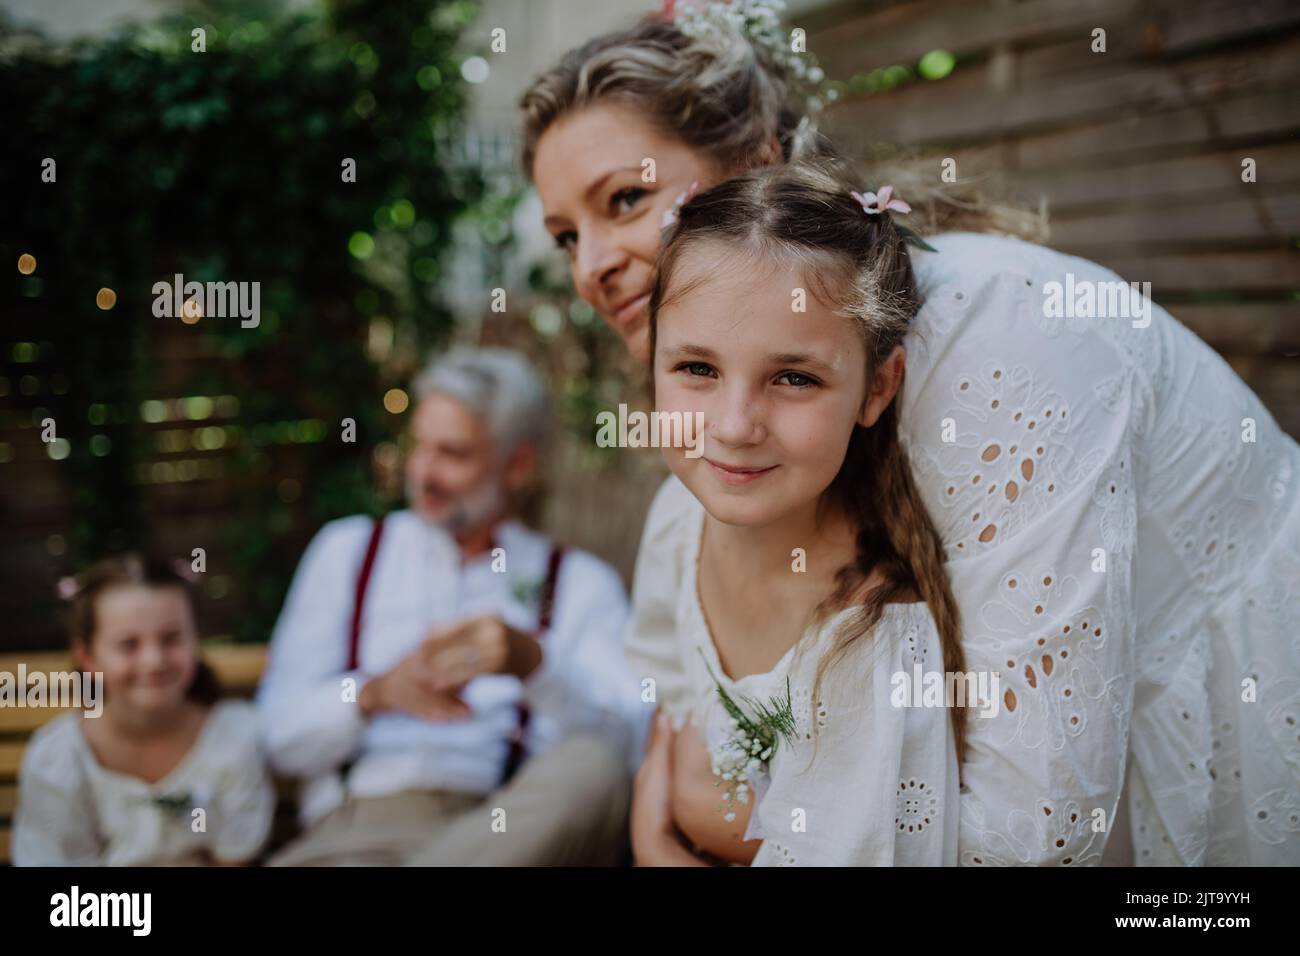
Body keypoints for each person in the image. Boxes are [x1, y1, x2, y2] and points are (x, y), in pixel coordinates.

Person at [519, 5, 1300, 865]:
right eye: (565, 237)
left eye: (624, 199)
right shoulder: (711, 495)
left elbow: (1038, 831)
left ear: (758, 164)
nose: (588, 266)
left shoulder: (1006, 343)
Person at [633, 161, 965, 866]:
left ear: (878, 389)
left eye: (793, 378)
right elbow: (666, 698)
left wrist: (656, 848)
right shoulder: (676, 520)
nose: (733, 424)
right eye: (697, 368)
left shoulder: (865, 638)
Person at [258, 346, 645, 866]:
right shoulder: (348, 551)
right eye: (420, 447)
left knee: (594, 767)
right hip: (353, 836)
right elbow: (279, 735)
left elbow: (628, 747)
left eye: (454, 453)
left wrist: (536, 663)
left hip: (502, 834)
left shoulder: (580, 584)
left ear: (517, 465)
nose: (424, 473)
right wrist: (372, 693)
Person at [14, 554, 274, 866]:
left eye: (171, 638)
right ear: (88, 658)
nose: (154, 661)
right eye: (128, 644)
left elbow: (235, 861)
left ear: (196, 640)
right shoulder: (57, 759)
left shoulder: (235, 737)